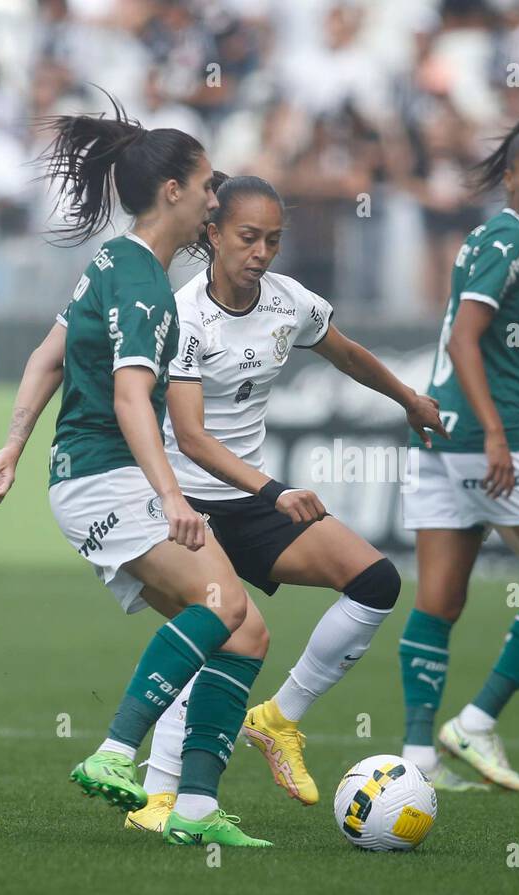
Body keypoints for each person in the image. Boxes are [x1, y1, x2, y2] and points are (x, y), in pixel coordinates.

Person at [0, 96, 271, 848]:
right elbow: (132, 394)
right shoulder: (144, 286)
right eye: (207, 186)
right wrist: (171, 494)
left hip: (86, 477)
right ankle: (113, 750)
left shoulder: (107, 261)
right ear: (172, 191)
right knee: (219, 597)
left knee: (246, 631)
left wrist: (12, 444)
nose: (215, 199)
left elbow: (46, 357)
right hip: (109, 480)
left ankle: (196, 806)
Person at [124, 173, 446, 831]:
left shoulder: (287, 302)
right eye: (248, 237)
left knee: (376, 581)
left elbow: (347, 353)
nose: (262, 252)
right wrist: (275, 491)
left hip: (249, 502)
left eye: (273, 239)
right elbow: (190, 434)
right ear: (212, 233)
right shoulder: (184, 314)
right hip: (185, 507)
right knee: (215, 632)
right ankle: (159, 799)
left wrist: (408, 398)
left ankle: (278, 718)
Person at [397, 113, 519, 793]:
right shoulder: (511, 236)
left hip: (448, 436)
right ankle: (476, 723)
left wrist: (516, 425)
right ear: (509, 179)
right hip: (482, 442)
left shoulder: (501, 237)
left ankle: (417, 761)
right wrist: (499, 431)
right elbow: (464, 339)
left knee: (439, 602)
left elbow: (475, 346)